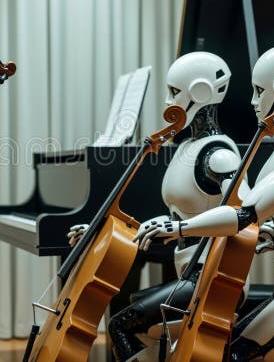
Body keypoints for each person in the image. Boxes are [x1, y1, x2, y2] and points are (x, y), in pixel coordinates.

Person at [136, 44, 274, 362]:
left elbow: (243, 214)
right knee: (221, 350)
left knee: (227, 356)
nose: (253, 102)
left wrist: (180, 228)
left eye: (259, 92)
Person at [68, 52, 244, 362]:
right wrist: (100, 232)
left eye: (174, 92)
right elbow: (173, 220)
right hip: (189, 272)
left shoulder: (219, 155)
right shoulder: (188, 147)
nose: (167, 101)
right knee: (131, 317)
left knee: (120, 325)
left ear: (200, 92)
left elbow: (243, 213)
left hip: (210, 278)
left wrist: (179, 228)